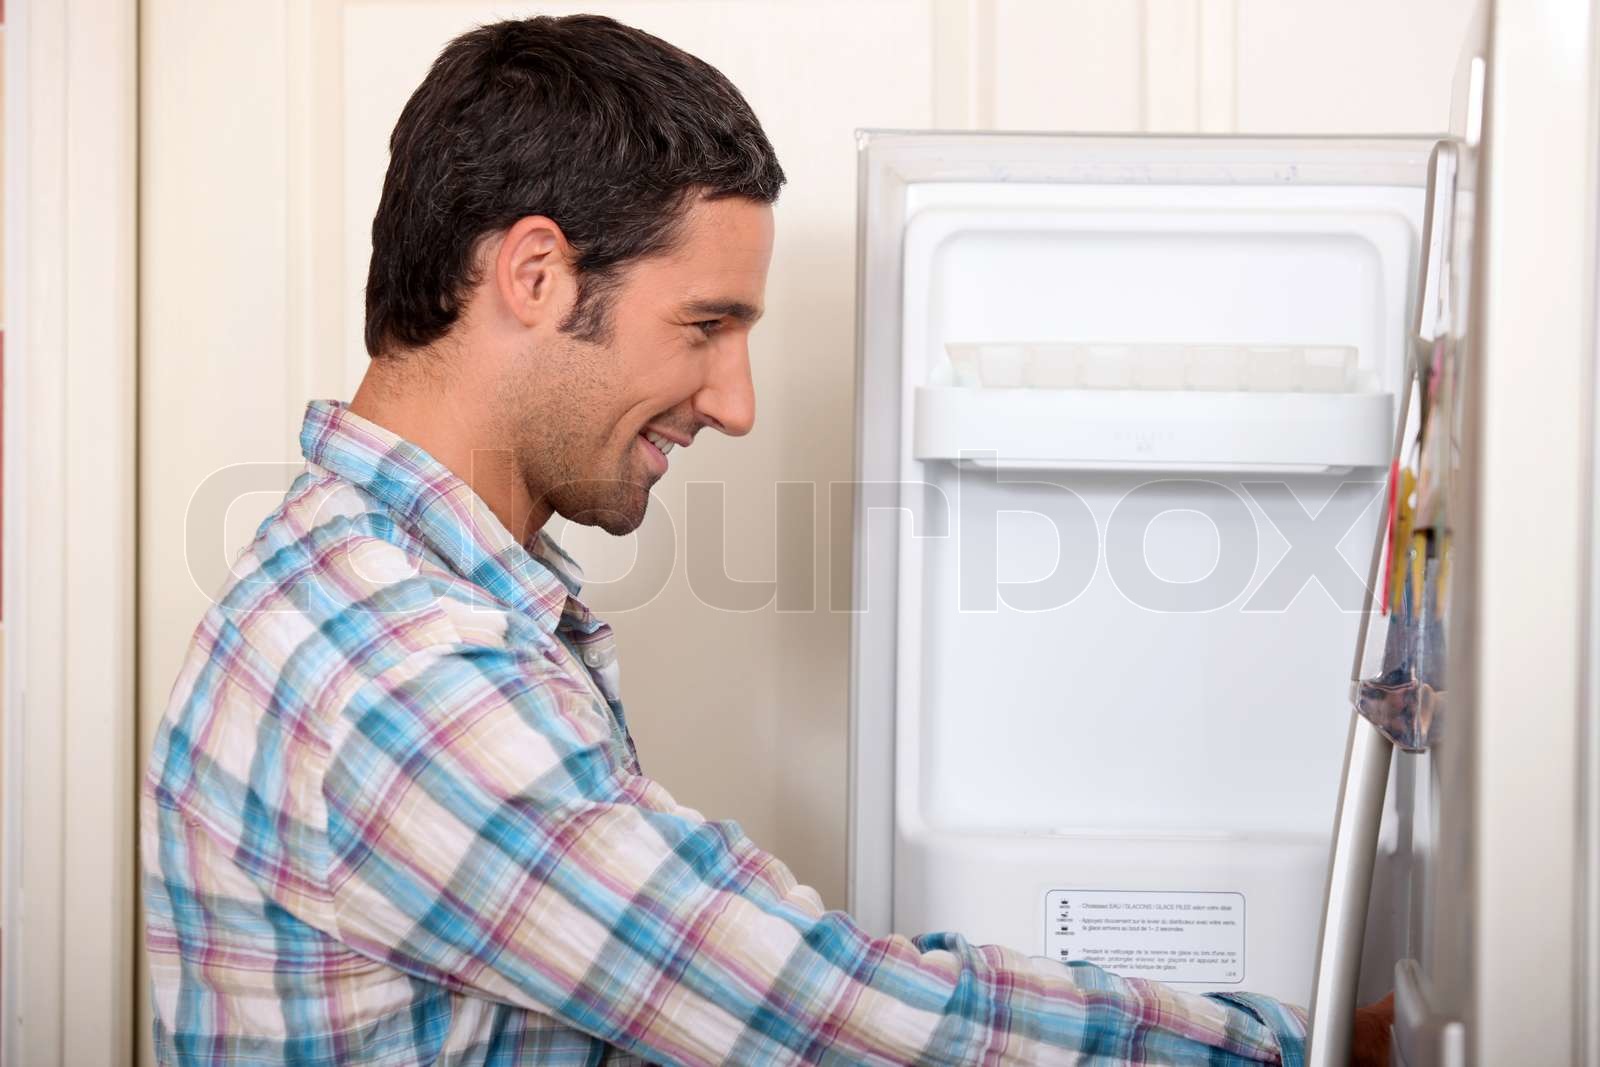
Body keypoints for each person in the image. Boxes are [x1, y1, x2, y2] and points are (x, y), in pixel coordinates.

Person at [142, 14, 1391, 1065]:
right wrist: (1305, 1044)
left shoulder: (365, 582)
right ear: (535, 274)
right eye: (705, 325)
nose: (735, 402)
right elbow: (811, 1009)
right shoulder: (403, 669)